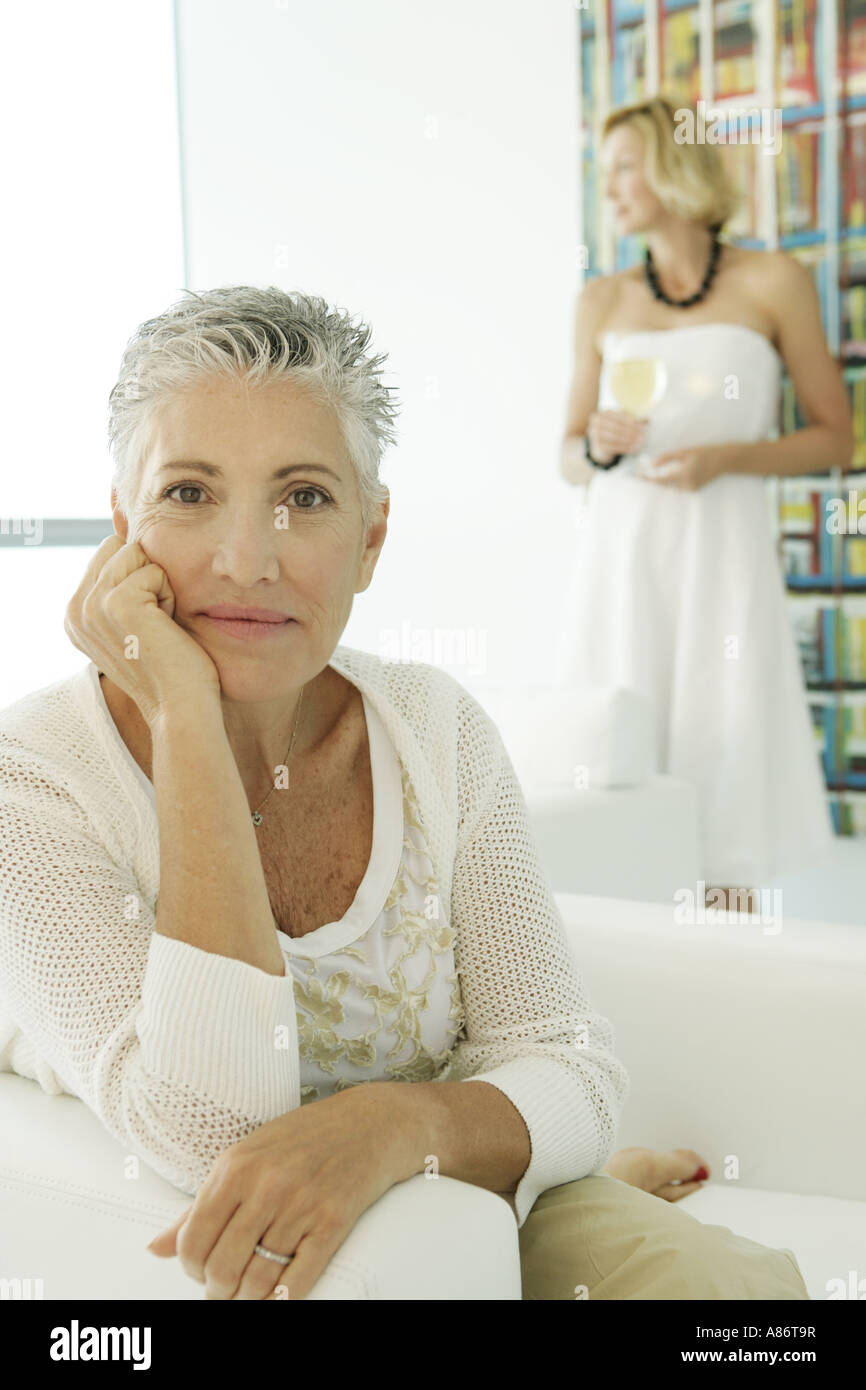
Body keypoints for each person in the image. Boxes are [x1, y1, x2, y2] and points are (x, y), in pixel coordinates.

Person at [0, 286, 807, 1299]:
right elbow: (217, 1132)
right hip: (301, 1250)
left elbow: (567, 1062)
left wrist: (396, 1124)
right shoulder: (33, 777)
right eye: (190, 493)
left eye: (303, 497)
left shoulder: (432, 724)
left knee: (744, 1309)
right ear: (122, 530)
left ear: (371, 542)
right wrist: (186, 721)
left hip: (457, 1186)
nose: (244, 561)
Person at [558, 96, 855, 911]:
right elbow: (568, 457)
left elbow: (836, 436)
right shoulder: (604, 300)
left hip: (722, 559)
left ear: (672, 165)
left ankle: (727, 957)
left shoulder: (773, 280)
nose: (609, 187)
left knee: (721, 735)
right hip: (623, 561)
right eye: (603, 170)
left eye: (624, 166)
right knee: (628, 739)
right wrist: (598, 446)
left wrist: (730, 458)